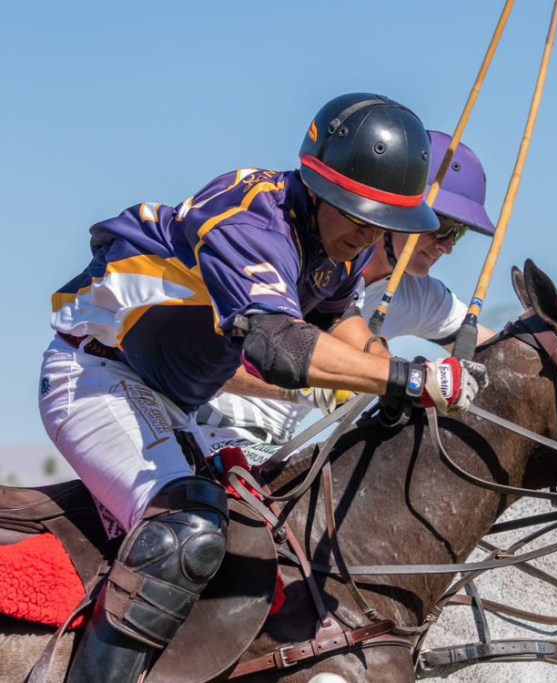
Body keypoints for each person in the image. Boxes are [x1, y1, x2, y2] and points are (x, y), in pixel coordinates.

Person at [39, 93, 488, 682]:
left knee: (264, 541)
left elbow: (335, 321)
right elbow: (276, 345)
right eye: (360, 216)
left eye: (383, 224)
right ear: (320, 188)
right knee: (186, 534)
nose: (368, 236)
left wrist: (392, 375)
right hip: (96, 375)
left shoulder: (339, 245)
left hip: (174, 401)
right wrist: (406, 379)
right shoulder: (251, 217)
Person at [199, 130, 498, 462]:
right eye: (442, 228)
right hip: (206, 420)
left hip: (280, 442)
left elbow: (497, 348)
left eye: (460, 232)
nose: (448, 246)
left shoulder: (422, 297)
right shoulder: (290, 250)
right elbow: (215, 357)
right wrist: (310, 389)